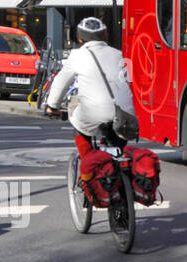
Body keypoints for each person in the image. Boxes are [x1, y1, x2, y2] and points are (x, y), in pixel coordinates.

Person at [45, 17, 133, 158]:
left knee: (76, 113)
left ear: (80, 38)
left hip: (92, 114)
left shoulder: (77, 56)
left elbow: (61, 82)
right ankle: (118, 163)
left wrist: (52, 106)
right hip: (124, 115)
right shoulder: (119, 55)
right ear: (105, 35)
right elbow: (129, 85)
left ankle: (88, 163)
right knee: (119, 146)